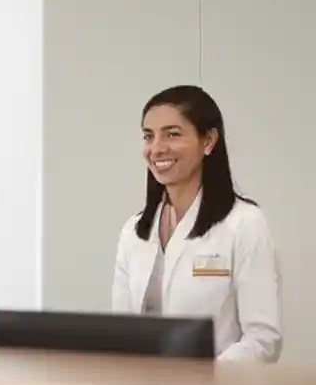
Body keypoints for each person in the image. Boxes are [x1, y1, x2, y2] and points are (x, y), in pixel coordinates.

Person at [111, 84, 282, 362]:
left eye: (172, 134)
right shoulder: (134, 231)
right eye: (148, 136)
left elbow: (263, 340)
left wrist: (198, 384)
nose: (156, 148)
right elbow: (121, 333)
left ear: (208, 141)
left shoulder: (245, 223)